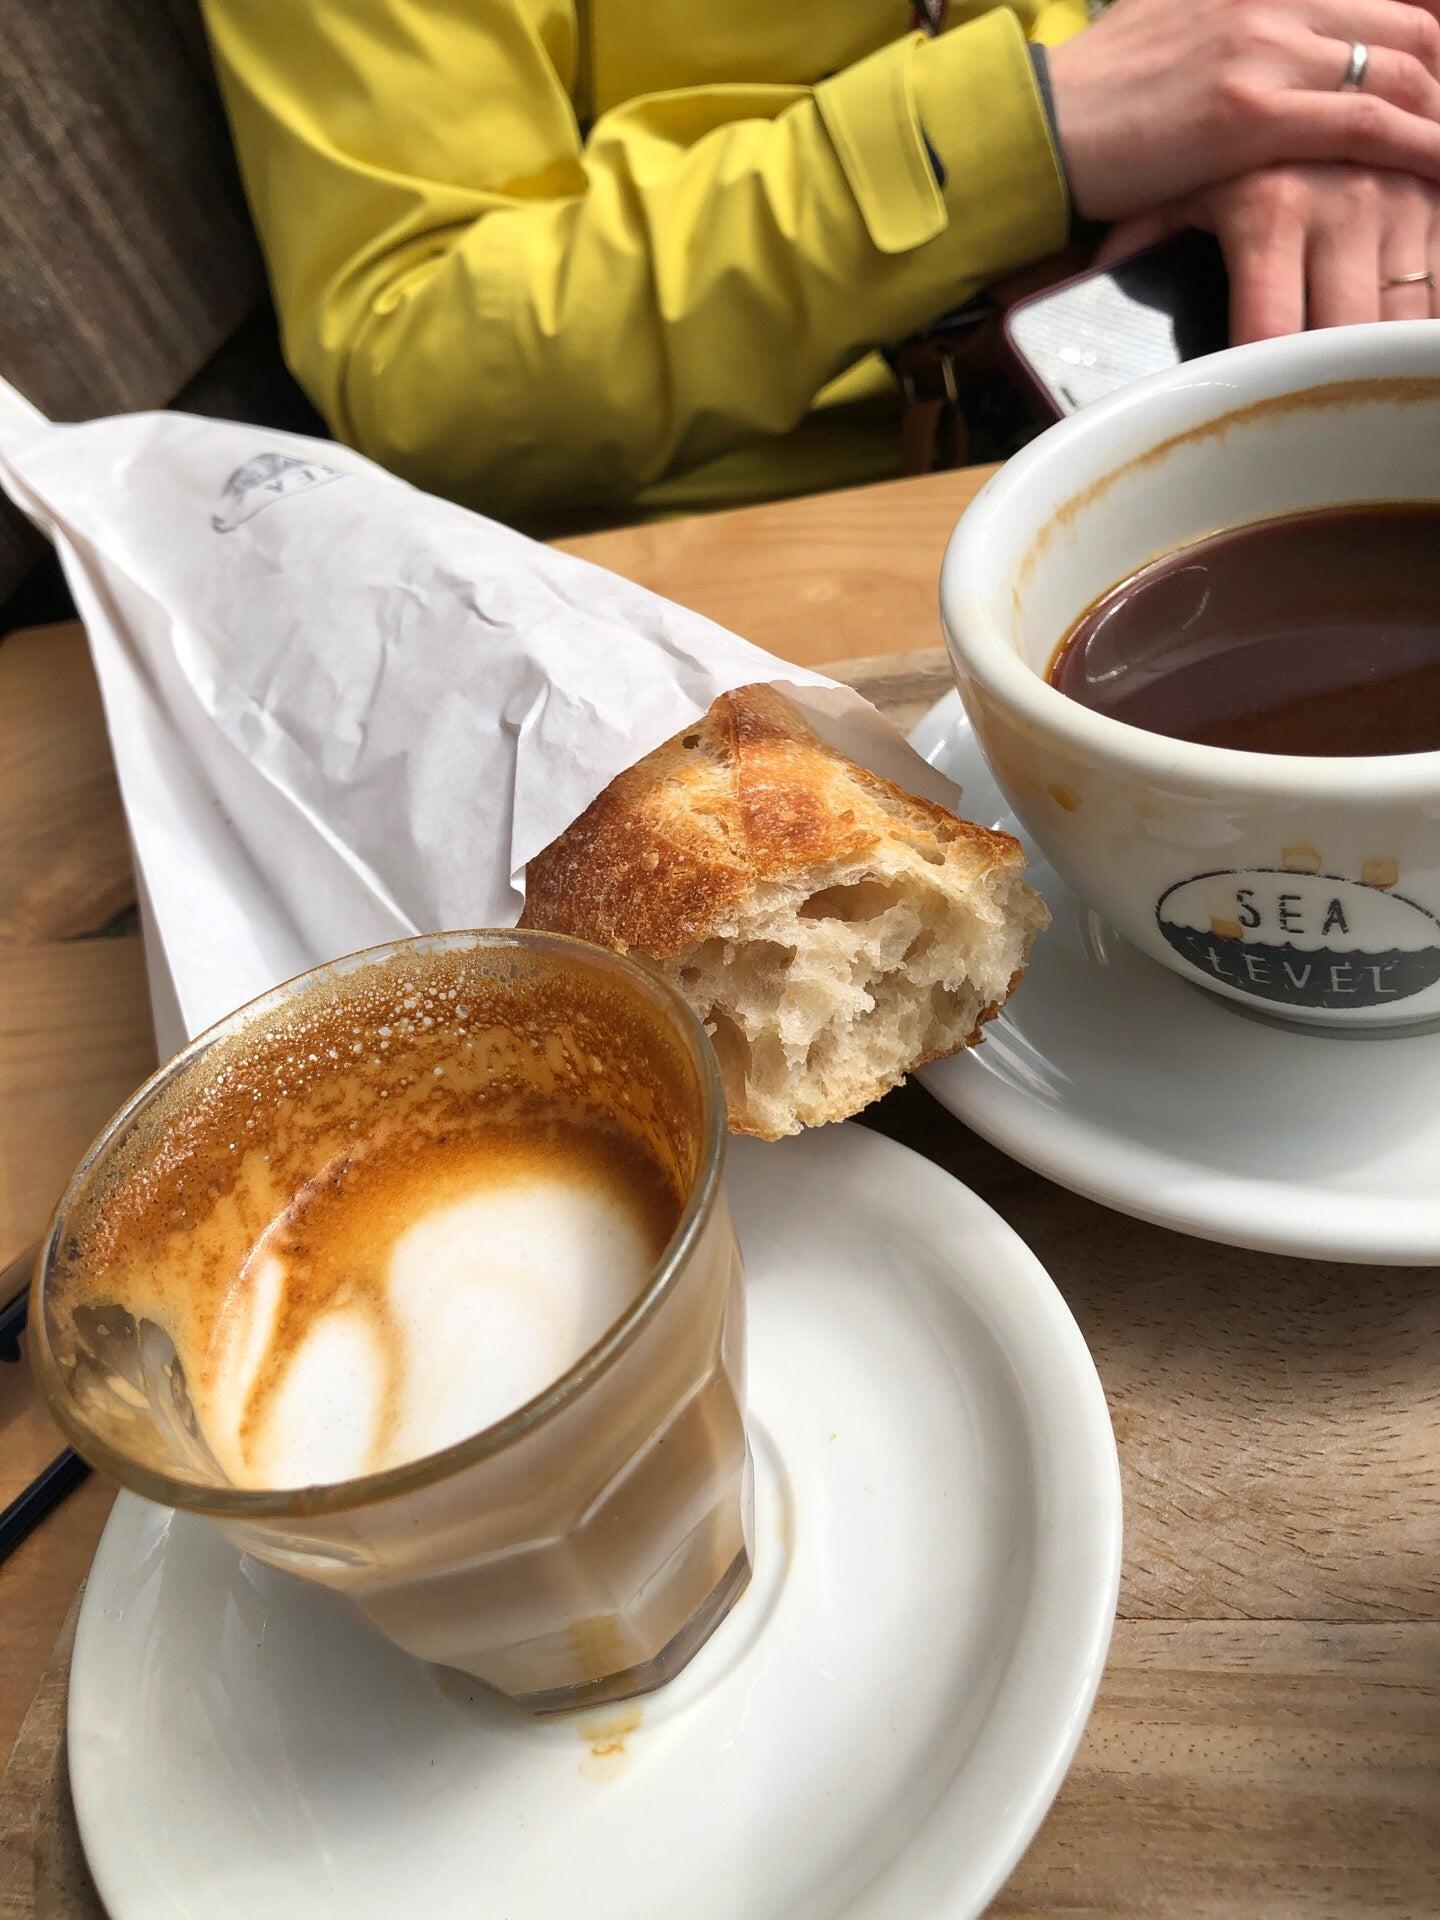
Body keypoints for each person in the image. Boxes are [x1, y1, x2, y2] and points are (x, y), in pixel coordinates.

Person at [201, 0, 1440, 529]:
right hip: (760, 592)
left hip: (1222, 393)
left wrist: (1328, 80)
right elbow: (425, 360)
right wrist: (1024, 127)